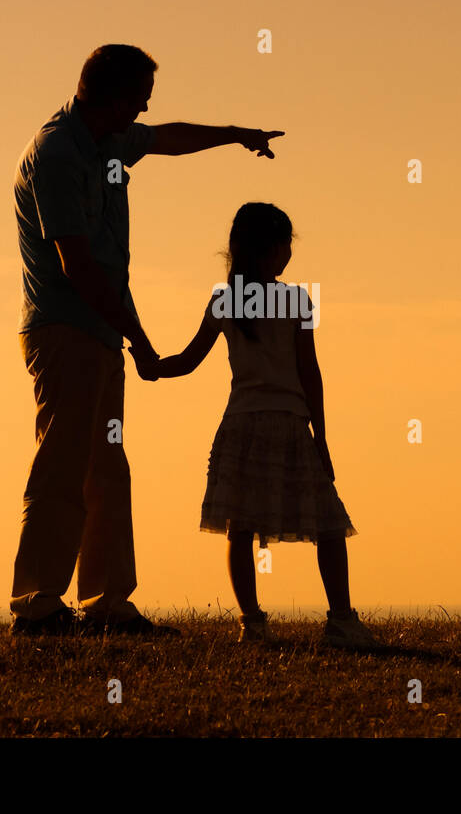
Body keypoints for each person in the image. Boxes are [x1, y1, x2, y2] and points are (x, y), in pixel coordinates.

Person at [10, 45, 284, 637]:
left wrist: (237, 134)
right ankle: (36, 605)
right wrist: (139, 337)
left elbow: (170, 138)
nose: (142, 113)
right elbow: (76, 264)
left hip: (105, 330)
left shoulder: (110, 141)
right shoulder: (57, 152)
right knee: (62, 462)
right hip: (66, 329)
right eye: (137, 101)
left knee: (107, 467)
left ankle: (106, 602)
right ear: (107, 96)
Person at [130, 202, 377, 649]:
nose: (289, 254)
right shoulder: (297, 300)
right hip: (288, 422)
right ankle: (340, 619)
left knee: (239, 526)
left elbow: (188, 361)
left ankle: (253, 622)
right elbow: (310, 372)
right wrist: (322, 438)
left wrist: (153, 367)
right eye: (285, 245)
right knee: (327, 524)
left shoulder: (226, 299)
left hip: (241, 423)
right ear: (270, 250)